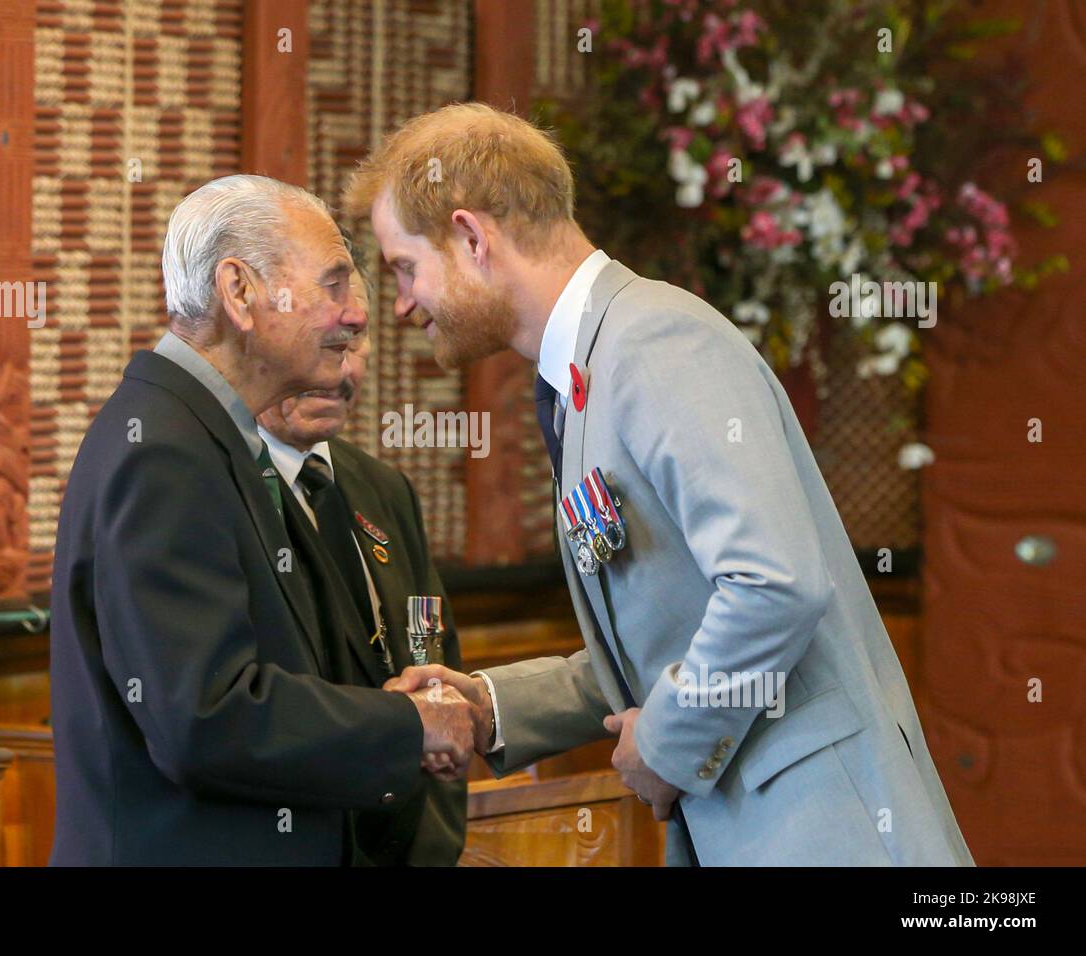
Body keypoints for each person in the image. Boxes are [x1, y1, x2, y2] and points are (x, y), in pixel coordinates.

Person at [346, 103, 973, 866]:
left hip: (825, 830)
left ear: (473, 237)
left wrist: (668, 744)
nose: (402, 303)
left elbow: (776, 585)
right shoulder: (588, 372)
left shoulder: (652, 341)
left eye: (404, 268)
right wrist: (489, 709)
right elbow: (663, 638)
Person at [48, 174, 474, 865]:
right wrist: (406, 725)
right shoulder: (165, 451)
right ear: (240, 292)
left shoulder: (197, 436)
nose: (359, 316)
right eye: (332, 284)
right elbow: (205, 716)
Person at [256, 266, 466, 865]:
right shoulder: (227, 489)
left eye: (352, 345)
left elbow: (431, 648)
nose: (340, 371)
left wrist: (436, 836)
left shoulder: (382, 490)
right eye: (323, 347)